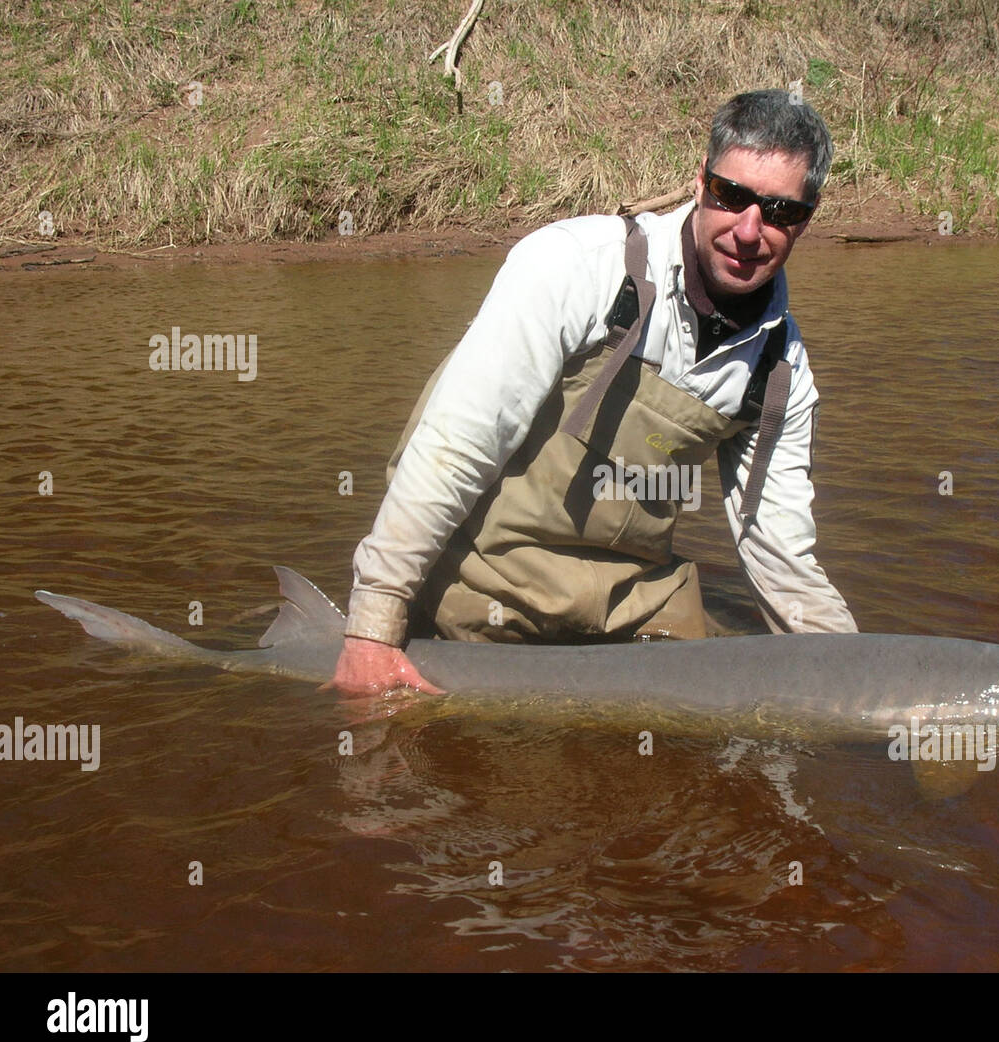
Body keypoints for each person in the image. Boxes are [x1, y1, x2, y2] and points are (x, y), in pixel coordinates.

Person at [331, 89, 858, 697]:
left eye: (779, 211)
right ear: (699, 184)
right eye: (731, 195)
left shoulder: (781, 371)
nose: (748, 229)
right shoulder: (576, 265)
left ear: (805, 220)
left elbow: (779, 548)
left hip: (631, 602)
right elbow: (458, 443)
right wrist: (373, 623)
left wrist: (858, 676)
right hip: (483, 581)